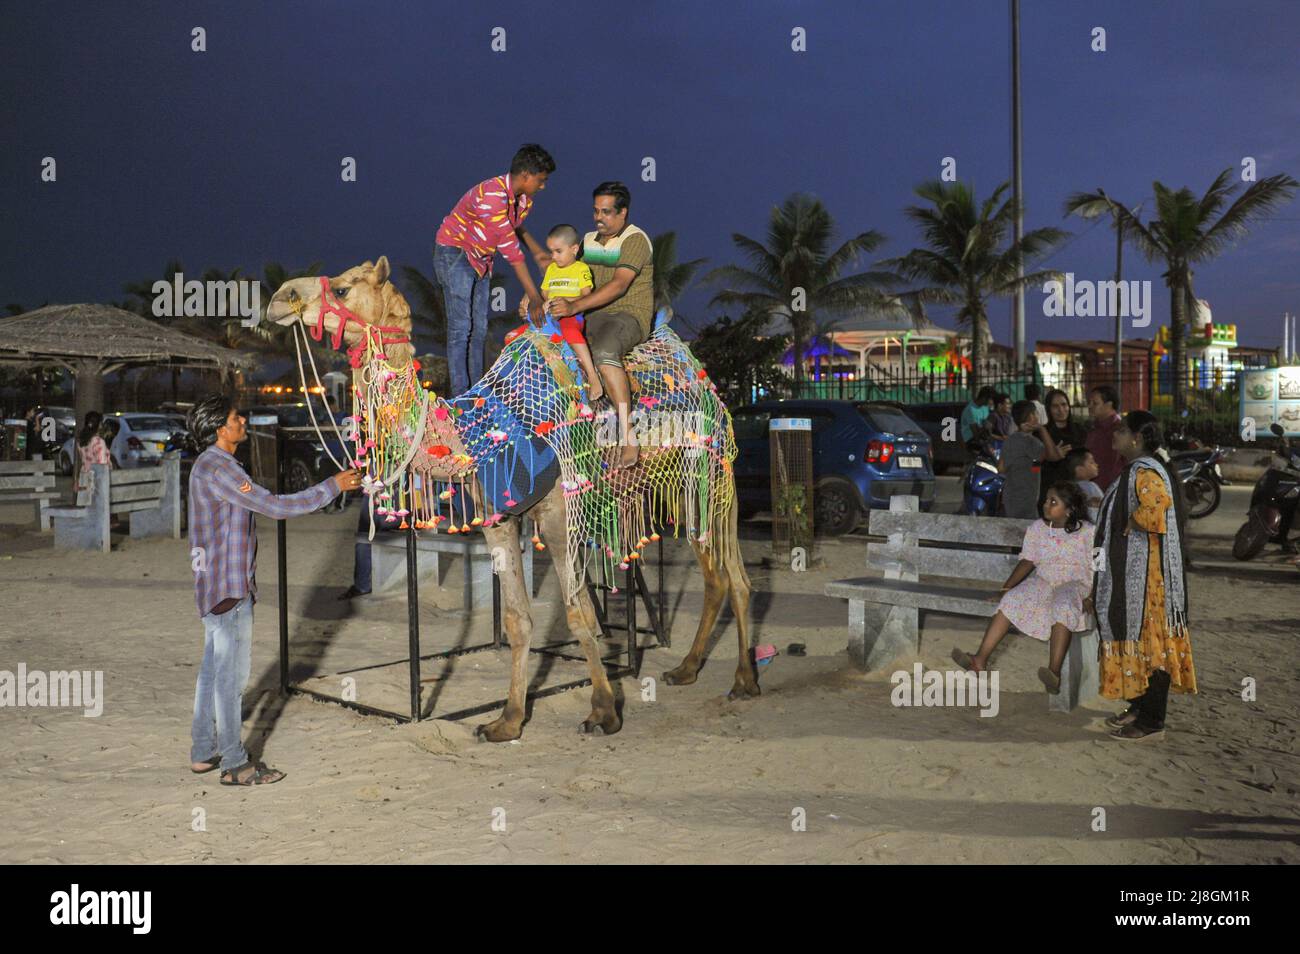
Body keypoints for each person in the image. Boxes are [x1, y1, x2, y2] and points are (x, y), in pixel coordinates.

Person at [186, 395, 362, 785]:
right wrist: (332, 486)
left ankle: (202, 750)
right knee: (229, 679)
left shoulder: (210, 465)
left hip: (215, 584)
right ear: (220, 428)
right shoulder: (221, 469)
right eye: (236, 418)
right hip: (227, 587)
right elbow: (276, 506)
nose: (243, 421)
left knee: (213, 672)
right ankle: (235, 764)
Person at [1091, 410, 1196, 742]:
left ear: (1136, 438)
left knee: (1154, 648)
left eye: (1121, 431)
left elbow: (1156, 509)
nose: (1115, 436)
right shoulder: (1138, 468)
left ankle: (1152, 723)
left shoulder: (1146, 470)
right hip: (1137, 575)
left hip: (1149, 581)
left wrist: (1132, 521)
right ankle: (1138, 706)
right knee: (1134, 637)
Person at [547, 181, 656, 470]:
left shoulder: (635, 240)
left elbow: (620, 285)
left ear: (623, 213)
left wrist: (573, 306)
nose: (599, 218)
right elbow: (561, 270)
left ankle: (628, 435)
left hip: (626, 315)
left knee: (605, 353)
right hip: (591, 315)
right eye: (596, 211)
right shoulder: (587, 241)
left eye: (606, 212)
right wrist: (535, 298)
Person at [435, 144, 556, 396]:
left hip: (482, 259)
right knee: (461, 328)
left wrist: (537, 251)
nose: (543, 186)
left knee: (479, 329)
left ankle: (477, 393)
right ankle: (461, 399)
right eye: (541, 180)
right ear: (525, 176)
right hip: (456, 253)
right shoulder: (491, 195)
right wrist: (534, 297)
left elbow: (515, 226)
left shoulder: (523, 200)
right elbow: (512, 252)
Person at [951, 481, 1095, 693]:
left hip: (1075, 582)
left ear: (1070, 509)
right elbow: (1027, 561)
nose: (1046, 504)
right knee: (1011, 601)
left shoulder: (1088, 532)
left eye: (1053, 502)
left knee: (1064, 605)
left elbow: (1098, 566)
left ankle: (1053, 673)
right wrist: (1005, 589)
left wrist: (1092, 597)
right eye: (1046, 500)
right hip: (1045, 580)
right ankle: (979, 661)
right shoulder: (1037, 528)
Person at [505, 224, 604, 402]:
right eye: (551, 252)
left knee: (571, 332)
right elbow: (542, 295)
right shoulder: (551, 269)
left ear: (574, 249)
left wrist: (564, 303)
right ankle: (512, 382)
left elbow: (586, 296)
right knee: (513, 336)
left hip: (570, 316)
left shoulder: (581, 269)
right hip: (549, 317)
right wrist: (530, 297)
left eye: (558, 251)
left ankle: (593, 376)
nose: (553, 256)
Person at [999, 400, 1065, 519]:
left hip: (1010, 497)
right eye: (1035, 413)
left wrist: (1031, 468)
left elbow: (1001, 468)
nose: (1037, 416)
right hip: (1025, 499)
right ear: (1031, 416)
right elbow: (1054, 457)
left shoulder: (1010, 440)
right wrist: (1042, 429)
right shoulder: (1031, 442)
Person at [1039, 388, 1088, 492]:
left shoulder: (1080, 431)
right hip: (1049, 490)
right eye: (1055, 406)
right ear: (1048, 409)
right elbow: (1033, 467)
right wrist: (1047, 457)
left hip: (1077, 490)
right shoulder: (1041, 433)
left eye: (1064, 404)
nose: (1061, 410)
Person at [1086, 384, 1124, 490]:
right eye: (1089, 402)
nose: (1090, 406)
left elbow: (1115, 466)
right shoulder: (1094, 428)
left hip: (1111, 489)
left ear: (1109, 404)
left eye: (1095, 403)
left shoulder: (1119, 429)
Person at [74, 410, 112, 506]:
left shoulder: (81, 441)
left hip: (84, 479)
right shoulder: (99, 442)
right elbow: (102, 465)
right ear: (98, 425)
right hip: (98, 483)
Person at [1065, 447, 1103, 523]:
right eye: (1092, 462)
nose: (1096, 465)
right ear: (1080, 470)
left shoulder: (1067, 488)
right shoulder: (1090, 486)